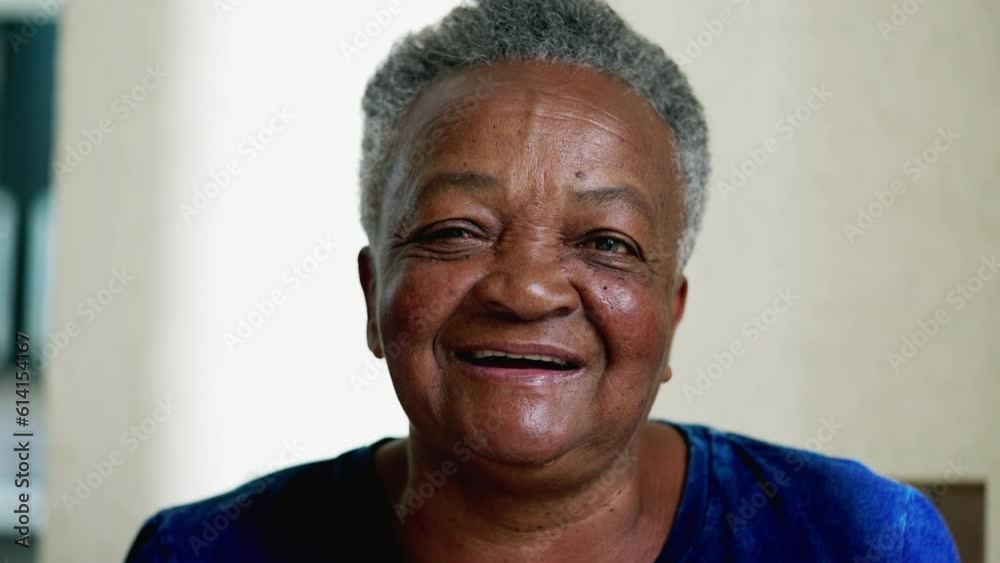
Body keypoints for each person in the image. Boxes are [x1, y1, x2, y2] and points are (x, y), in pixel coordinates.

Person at [125, 0, 959, 561]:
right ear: (375, 295)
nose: (526, 290)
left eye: (606, 241)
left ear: (671, 314)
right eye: (456, 231)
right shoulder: (206, 549)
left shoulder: (858, 537)